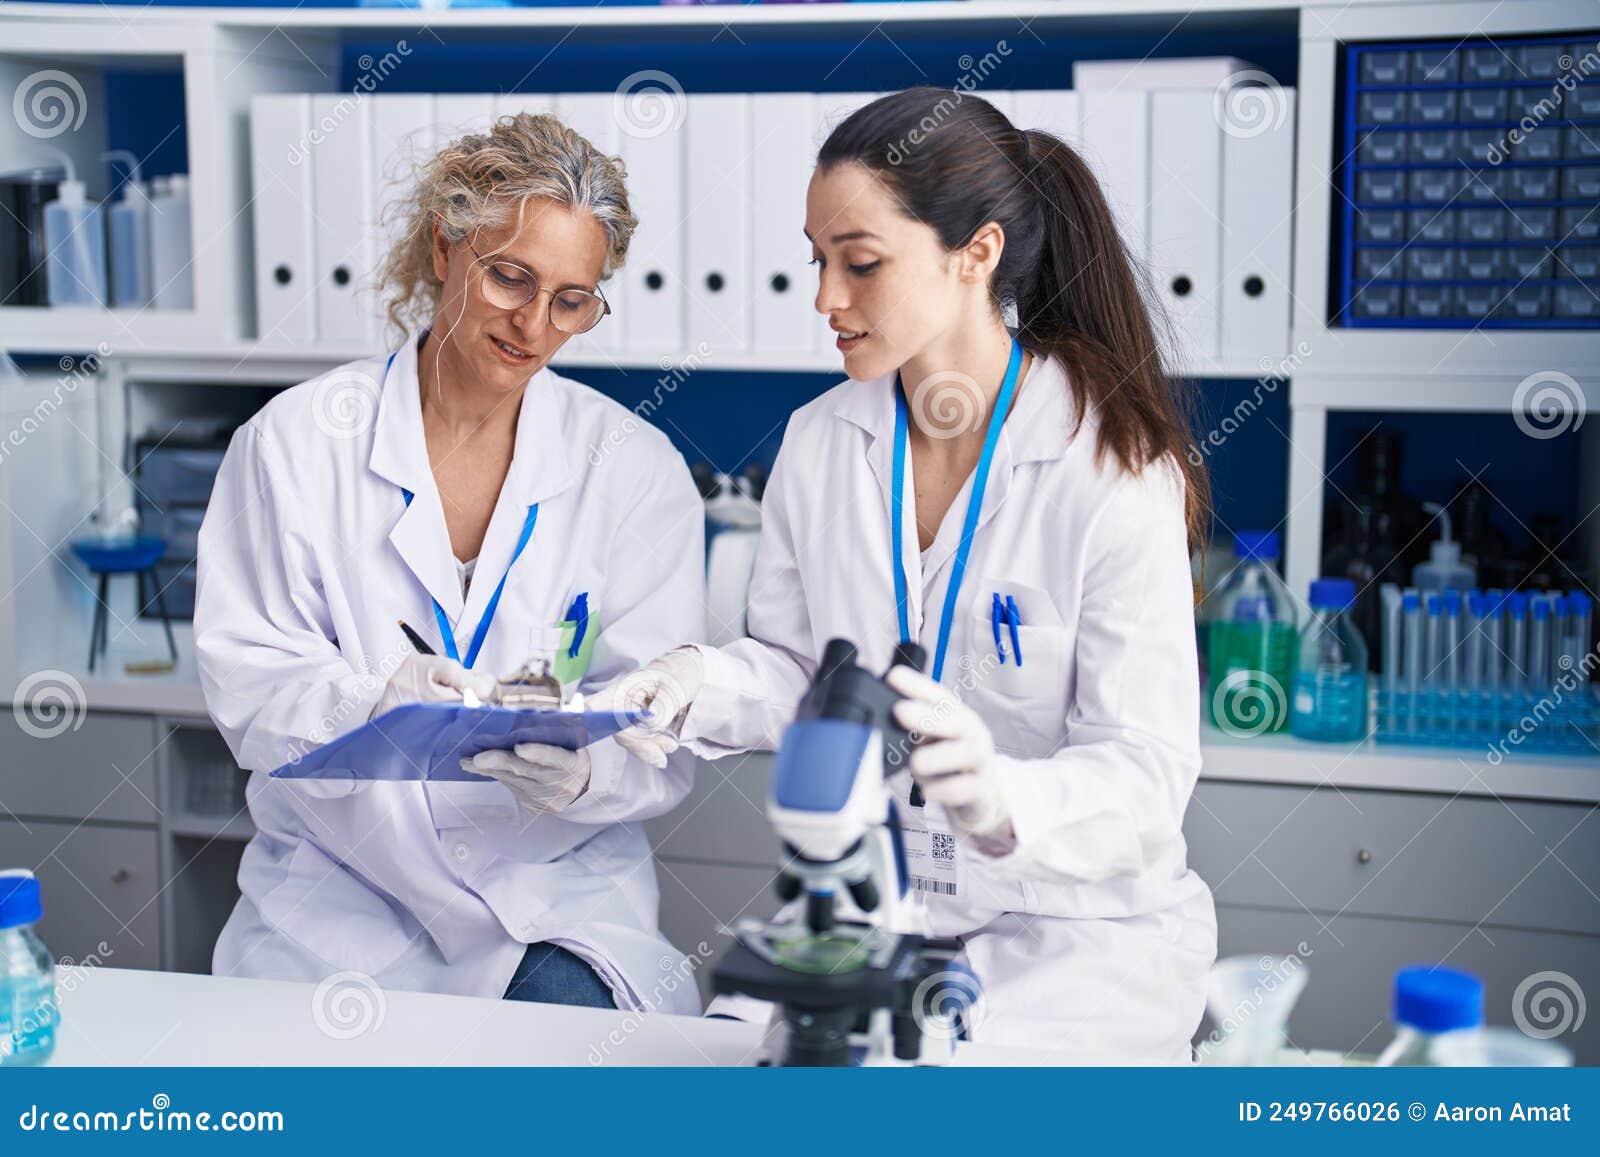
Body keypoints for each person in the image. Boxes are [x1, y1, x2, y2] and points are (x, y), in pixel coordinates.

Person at [607, 88, 1217, 1059]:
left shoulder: (1111, 467)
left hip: (1076, 944)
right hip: (879, 911)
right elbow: (805, 672)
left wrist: (1003, 796)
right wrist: (695, 681)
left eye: (861, 263)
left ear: (976, 253)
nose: (825, 298)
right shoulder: (820, 441)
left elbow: (1144, 776)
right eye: (817, 260)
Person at [195, 113, 704, 1014]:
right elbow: (250, 682)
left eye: (571, 300)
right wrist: (369, 705)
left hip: (552, 901)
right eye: (510, 276)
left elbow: (659, 728)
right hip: (339, 901)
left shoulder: (634, 470)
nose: (534, 324)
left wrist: (591, 772)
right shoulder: (295, 445)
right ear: (444, 247)